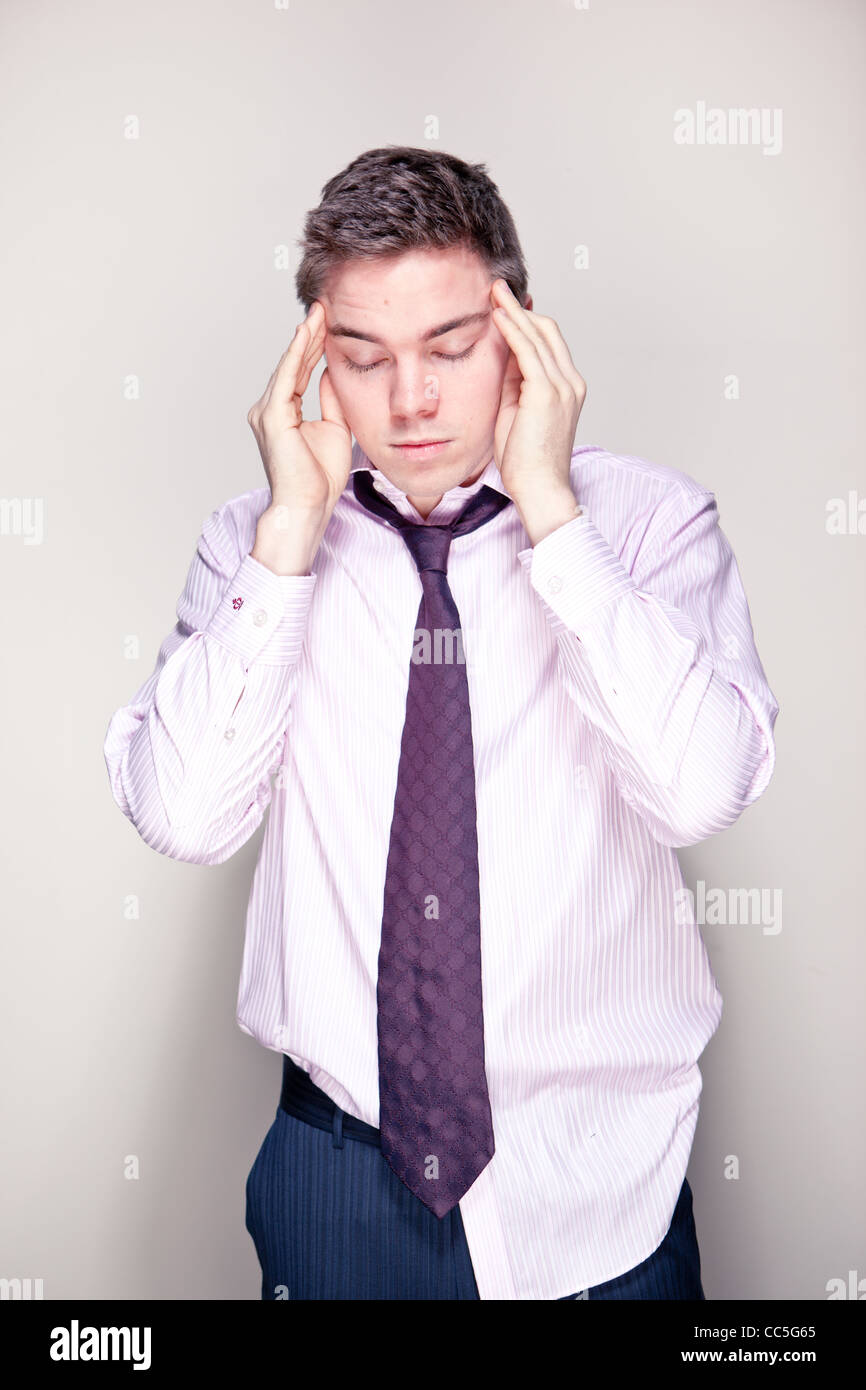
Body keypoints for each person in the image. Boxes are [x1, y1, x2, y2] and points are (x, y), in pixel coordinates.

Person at [103, 145, 779, 1301]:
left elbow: (697, 790)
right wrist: (285, 545)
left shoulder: (648, 526)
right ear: (314, 361)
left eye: (450, 350)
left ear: (520, 338)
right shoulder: (255, 545)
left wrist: (556, 519)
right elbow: (184, 818)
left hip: (598, 1179)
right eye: (362, 359)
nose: (408, 400)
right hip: (339, 1174)